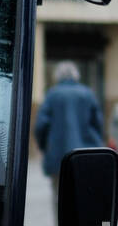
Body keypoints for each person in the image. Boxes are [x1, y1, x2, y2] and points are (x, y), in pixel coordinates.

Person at [34, 61, 103, 211]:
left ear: (57, 76)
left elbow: (40, 126)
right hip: (86, 155)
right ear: (76, 75)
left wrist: (43, 146)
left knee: (59, 198)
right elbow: (98, 124)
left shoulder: (52, 94)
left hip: (59, 156)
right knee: (84, 196)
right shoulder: (87, 93)